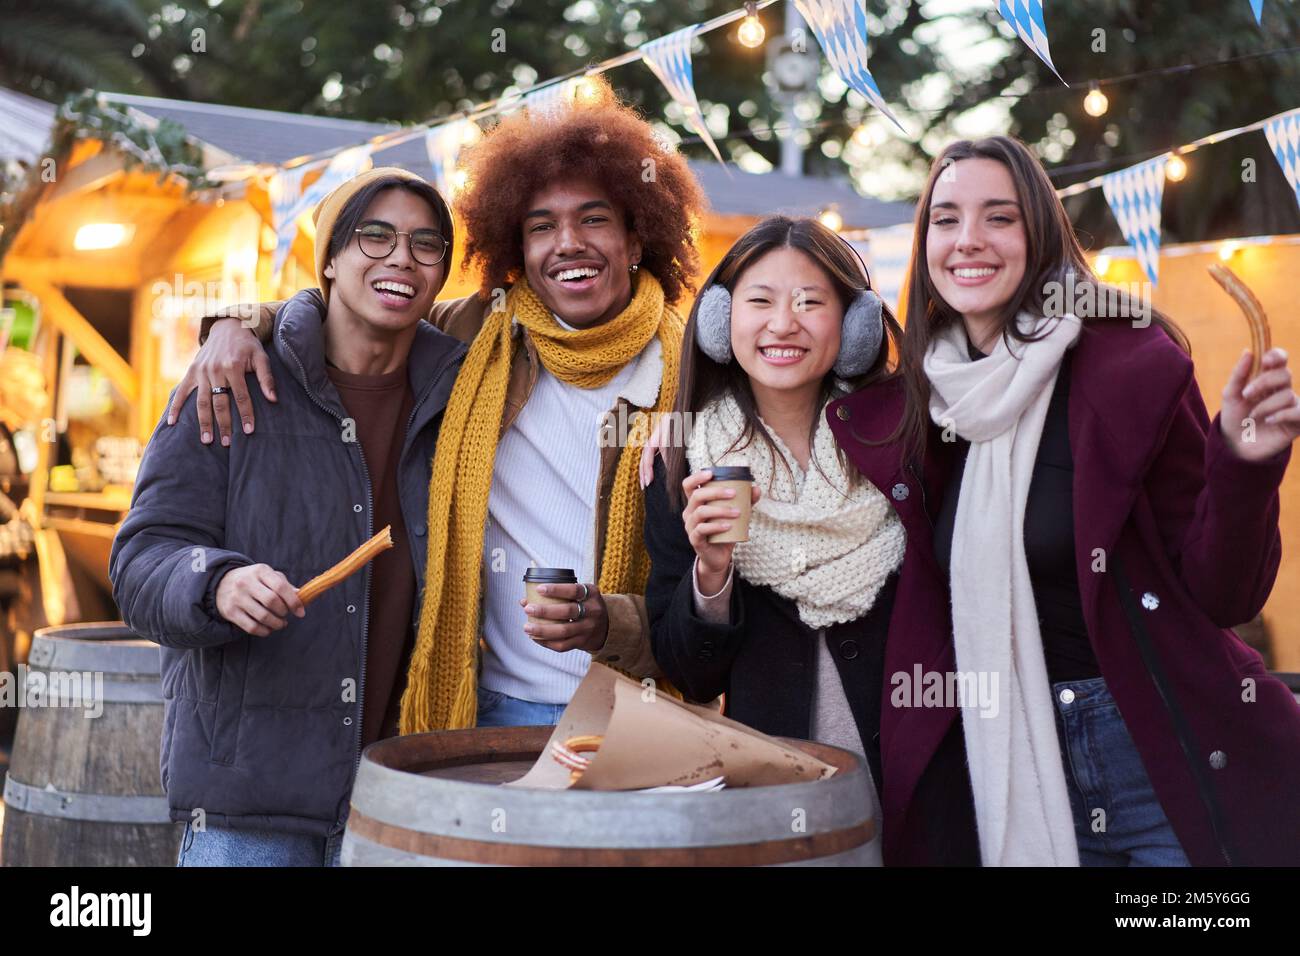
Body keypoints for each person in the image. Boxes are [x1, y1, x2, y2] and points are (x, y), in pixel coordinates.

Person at [167, 80, 706, 730]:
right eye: (541, 227)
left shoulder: (700, 368)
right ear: (516, 252)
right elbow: (358, 310)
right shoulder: (478, 335)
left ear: (636, 238)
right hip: (498, 709)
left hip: (646, 711)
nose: (567, 243)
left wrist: (608, 622)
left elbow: (720, 585)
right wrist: (235, 322)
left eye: (593, 219)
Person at [829, 135, 1300, 866]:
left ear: (1039, 236)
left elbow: (1221, 592)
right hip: (1009, 765)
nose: (968, 241)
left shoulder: (1130, 366)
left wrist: (1242, 466)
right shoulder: (923, 409)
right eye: (946, 220)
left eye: (999, 218)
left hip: (1157, 756)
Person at [110, 168, 465, 865]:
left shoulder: (461, 394)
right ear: (328, 258)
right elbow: (141, 559)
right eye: (375, 235)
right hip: (250, 796)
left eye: (427, 244)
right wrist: (214, 584)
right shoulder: (232, 381)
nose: (402, 257)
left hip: (401, 792)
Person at [643, 216, 981, 866]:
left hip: (924, 780)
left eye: (810, 302)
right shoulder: (682, 462)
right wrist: (712, 572)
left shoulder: (910, 434)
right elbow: (689, 671)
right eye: (760, 301)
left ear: (854, 324)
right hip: (774, 804)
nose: (783, 324)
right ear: (719, 319)